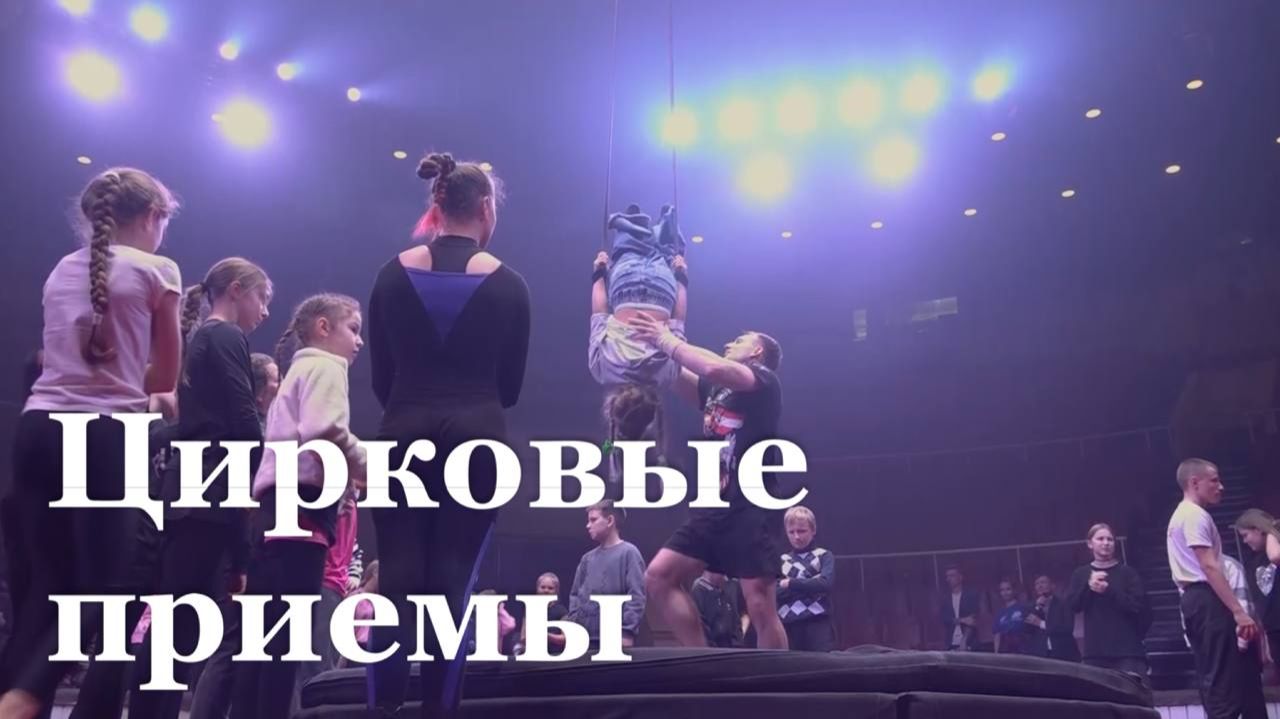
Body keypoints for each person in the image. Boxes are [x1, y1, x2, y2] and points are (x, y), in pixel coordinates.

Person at [0, 168, 182, 719]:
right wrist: (136, 383)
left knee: (43, 588)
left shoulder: (61, 269)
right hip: (101, 435)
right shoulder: (158, 270)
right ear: (152, 216)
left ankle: (15, 695)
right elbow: (163, 378)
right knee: (103, 589)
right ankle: (23, 698)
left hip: (36, 429)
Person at [366, 152, 530, 716]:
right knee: (452, 584)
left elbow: (381, 377)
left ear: (435, 205)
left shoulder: (390, 274)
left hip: (402, 430)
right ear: (486, 207)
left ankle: (382, 709)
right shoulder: (510, 285)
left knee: (397, 580)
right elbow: (510, 387)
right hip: (477, 435)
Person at [127, 257, 272, 719]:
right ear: (236, 290)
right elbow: (243, 419)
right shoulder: (225, 336)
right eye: (262, 297)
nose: (265, 310)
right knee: (181, 622)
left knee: (180, 621)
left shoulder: (204, 339)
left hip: (195, 489)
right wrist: (260, 472)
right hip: (208, 491)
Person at [230, 293, 366, 719]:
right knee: (287, 636)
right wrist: (368, 464)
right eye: (353, 329)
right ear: (323, 327)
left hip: (274, 507)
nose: (359, 342)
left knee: (262, 637)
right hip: (302, 507)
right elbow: (325, 430)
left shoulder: (296, 373)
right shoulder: (327, 365)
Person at [627, 315, 789, 650]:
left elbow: (712, 367)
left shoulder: (764, 380)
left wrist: (666, 339)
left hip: (751, 502)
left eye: (740, 340)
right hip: (714, 504)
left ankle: (777, 676)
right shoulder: (719, 390)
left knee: (759, 601)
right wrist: (644, 345)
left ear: (757, 351)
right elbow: (674, 373)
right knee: (659, 577)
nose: (729, 343)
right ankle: (701, 658)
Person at [588, 204, 687, 478]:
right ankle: (631, 225)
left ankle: (663, 228)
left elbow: (678, 322)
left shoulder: (666, 376)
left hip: (662, 292)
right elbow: (599, 313)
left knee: (668, 253)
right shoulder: (601, 370)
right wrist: (599, 274)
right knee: (626, 251)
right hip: (625, 287)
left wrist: (681, 277)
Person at [1166, 458, 1266, 719]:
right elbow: (1209, 566)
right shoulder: (1193, 515)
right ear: (1194, 482)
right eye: (1214, 480)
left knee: (1217, 680)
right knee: (1223, 685)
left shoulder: (1183, 515)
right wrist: (1238, 611)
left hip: (1197, 600)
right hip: (1206, 599)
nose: (1221, 487)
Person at [1066, 523, 1150, 685]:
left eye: (1110, 539)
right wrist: (1088, 587)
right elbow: (1074, 606)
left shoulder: (1128, 573)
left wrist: (1108, 591)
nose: (1106, 543)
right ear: (1090, 543)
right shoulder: (1080, 574)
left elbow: (1138, 607)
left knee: (1135, 695)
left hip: (1127, 651)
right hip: (1095, 653)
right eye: (1100, 539)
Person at [566, 501, 647, 645]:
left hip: (614, 639)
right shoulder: (586, 559)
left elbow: (636, 596)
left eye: (593, 520)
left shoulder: (629, 553)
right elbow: (575, 596)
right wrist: (574, 628)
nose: (588, 525)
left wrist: (626, 632)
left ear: (610, 521)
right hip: (584, 639)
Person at [776, 506, 836, 652]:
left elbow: (825, 584)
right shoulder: (781, 560)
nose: (796, 537)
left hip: (818, 624)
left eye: (801, 531)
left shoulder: (824, 555)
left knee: (822, 664)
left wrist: (790, 583)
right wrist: (812, 583)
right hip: (788, 626)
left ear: (813, 530)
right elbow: (775, 593)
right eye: (791, 532)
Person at [1234, 509, 1280, 664]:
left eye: (1245, 535)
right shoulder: (1251, 562)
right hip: (1273, 628)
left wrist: (1271, 531)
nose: (1244, 541)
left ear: (1258, 529)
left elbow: (1275, 556)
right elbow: (1259, 601)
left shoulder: (1275, 549)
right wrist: (1264, 638)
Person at [1026, 574, 1080, 661]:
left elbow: (1068, 628)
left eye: (1043, 582)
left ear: (1052, 586)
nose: (1040, 586)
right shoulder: (1031, 607)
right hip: (1041, 655)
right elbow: (1027, 629)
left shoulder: (1064, 604)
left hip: (1063, 653)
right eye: (1037, 584)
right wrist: (1037, 607)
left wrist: (1042, 624)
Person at [515, 573, 568, 655]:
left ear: (556, 591)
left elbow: (564, 639)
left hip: (555, 655)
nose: (546, 590)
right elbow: (523, 637)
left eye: (550, 588)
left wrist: (545, 635)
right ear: (537, 589)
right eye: (543, 587)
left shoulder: (562, 611)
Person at [691, 572, 743, 648]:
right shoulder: (698, 593)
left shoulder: (726, 592)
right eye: (722, 574)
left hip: (730, 649)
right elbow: (701, 627)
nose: (725, 578)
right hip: (712, 650)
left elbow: (736, 623)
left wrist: (738, 646)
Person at [940, 565, 980, 651]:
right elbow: (945, 619)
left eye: (952, 575)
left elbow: (971, 620)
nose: (949, 579)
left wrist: (964, 641)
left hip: (969, 643)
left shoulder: (970, 596)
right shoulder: (945, 599)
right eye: (947, 576)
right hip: (950, 644)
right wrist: (962, 620)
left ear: (960, 577)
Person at [993, 579, 1033, 655]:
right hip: (1005, 652)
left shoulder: (1024, 608)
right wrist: (996, 655)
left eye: (1008, 589)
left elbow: (1032, 630)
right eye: (1002, 590)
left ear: (1014, 590)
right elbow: (997, 635)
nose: (1005, 592)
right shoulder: (999, 613)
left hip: (1023, 651)